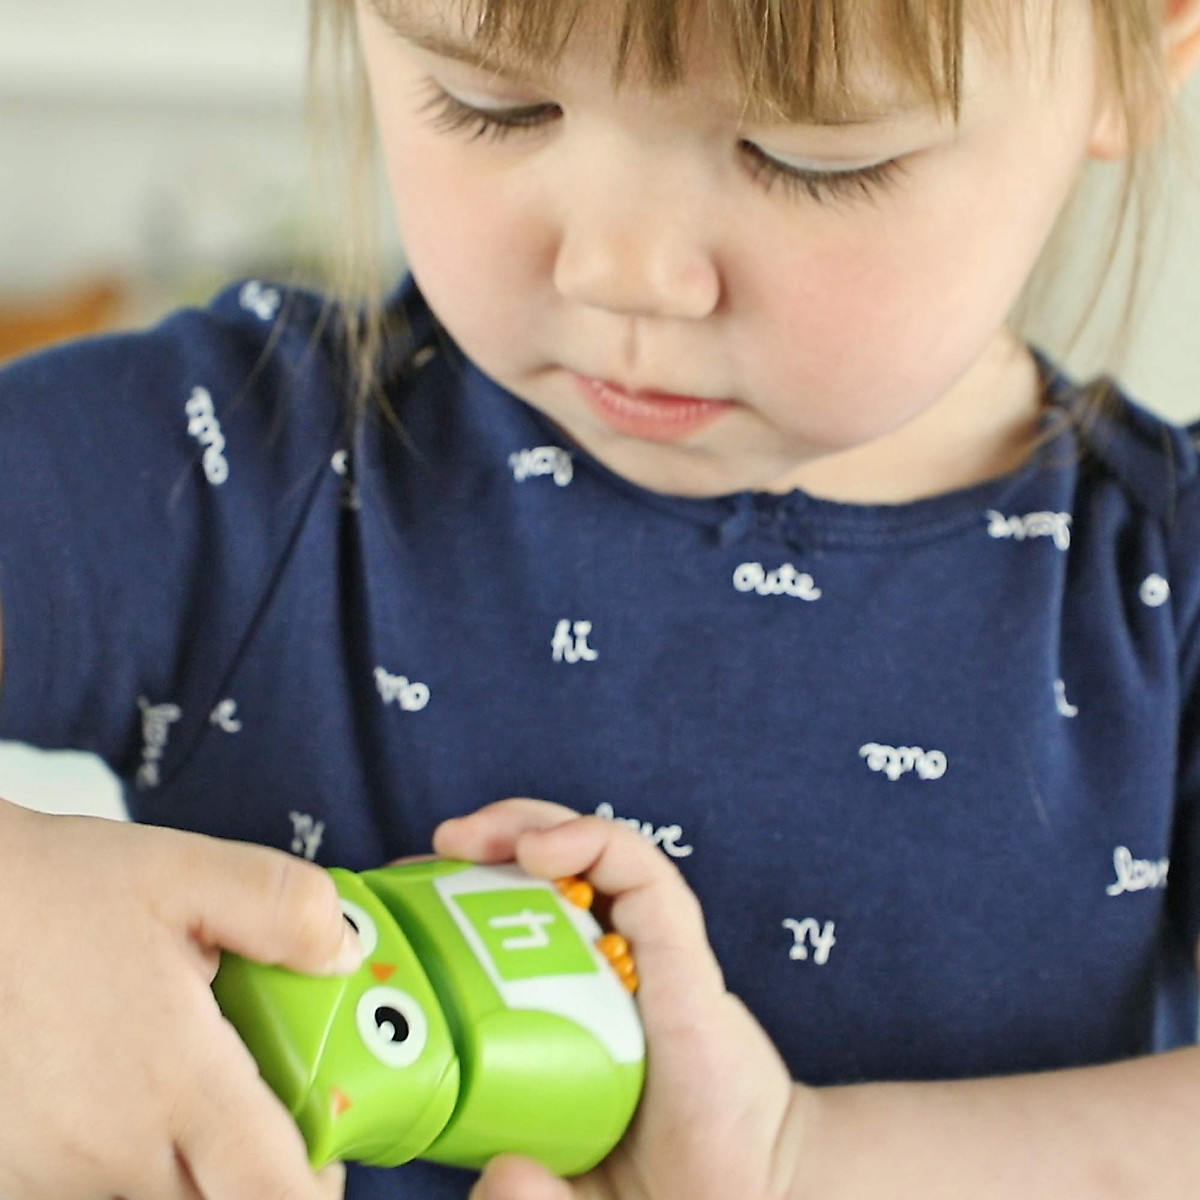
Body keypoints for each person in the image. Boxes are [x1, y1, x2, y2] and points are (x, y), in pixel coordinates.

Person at [1, 0, 1200, 1195]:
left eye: (809, 157)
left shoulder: (1167, 592)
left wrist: (803, 1165)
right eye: (494, 101)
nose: (620, 271)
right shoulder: (237, 462)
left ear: (1141, 47)